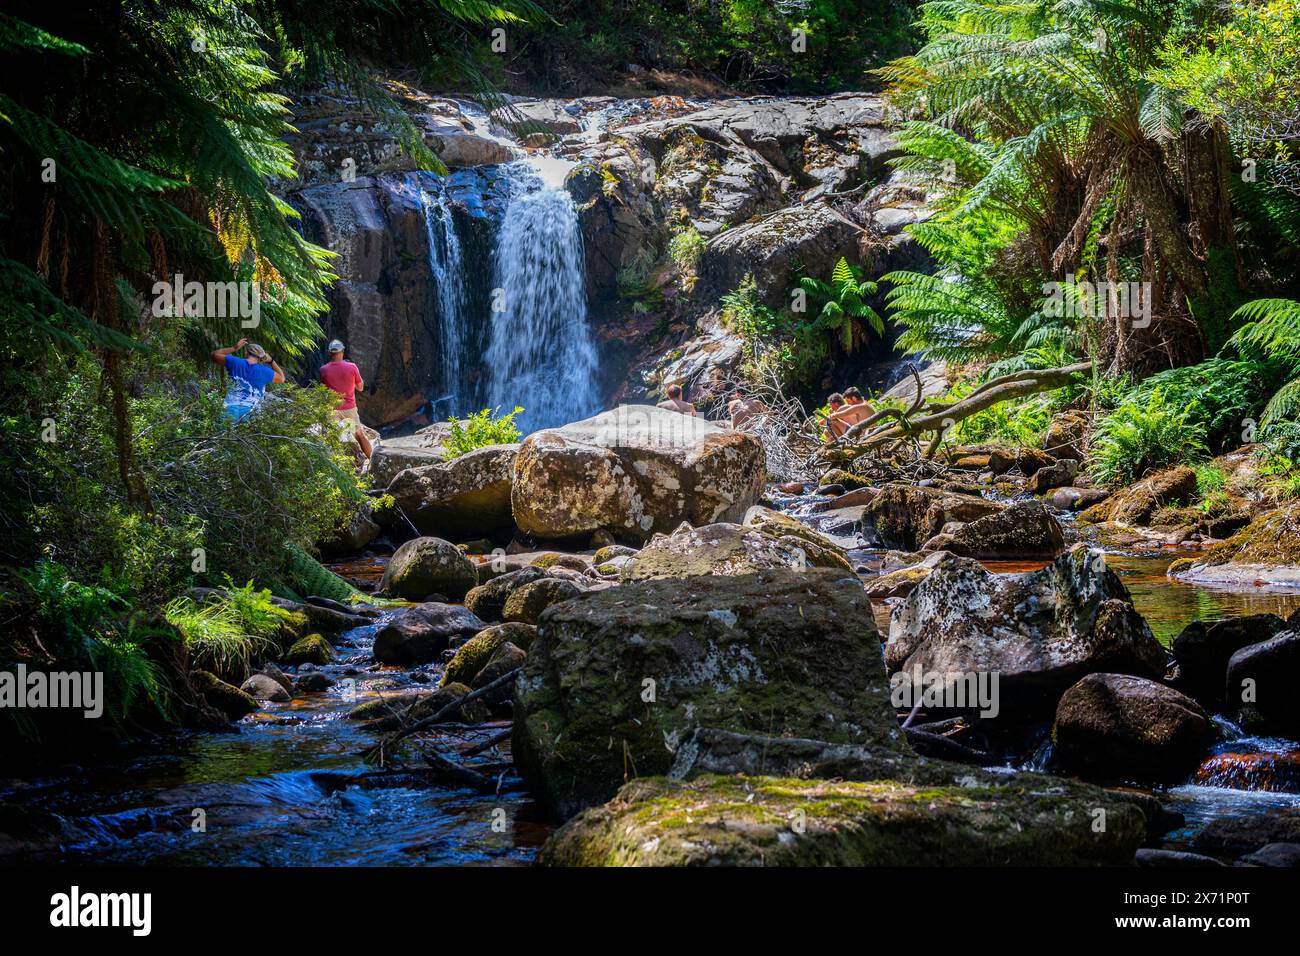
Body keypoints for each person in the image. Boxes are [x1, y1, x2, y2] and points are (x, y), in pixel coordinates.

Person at [318, 339, 372, 458]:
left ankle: (337, 466)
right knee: (359, 434)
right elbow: (360, 387)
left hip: (332, 409)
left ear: (330, 353)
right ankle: (373, 461)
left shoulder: (323, 370)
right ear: (342, 351)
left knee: (333, 438)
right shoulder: (352, 367)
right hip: (350, 408)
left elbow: (324, 390)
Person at [212, 338, 283, 422]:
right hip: (251, 411)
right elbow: (282, 378)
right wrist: (271, 361)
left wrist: (234, 348)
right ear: (260, 357)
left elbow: (214, 354)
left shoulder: (234, 362)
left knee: (222, 434)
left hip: (229, 408)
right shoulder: (265, 372)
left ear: (246, 353)